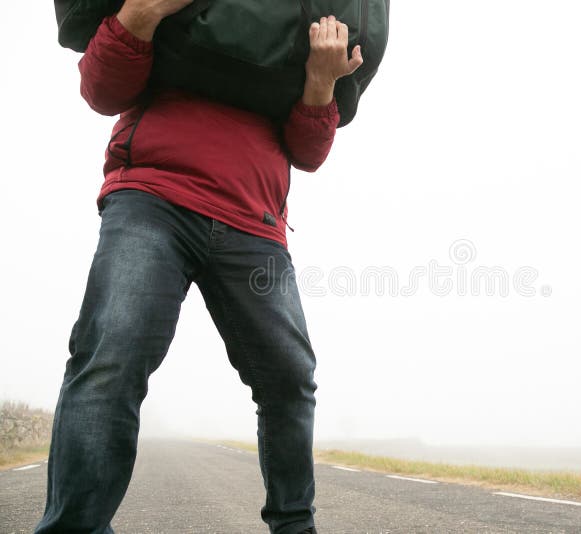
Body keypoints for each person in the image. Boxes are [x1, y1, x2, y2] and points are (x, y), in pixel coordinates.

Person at [35, 0, 362, 532]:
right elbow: (101, 91)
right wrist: (140, 14)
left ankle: (295, 526)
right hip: (152, 196)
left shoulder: (284, 26)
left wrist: (320, 83)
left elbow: (308, 152)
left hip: (254, 222)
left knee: (290, 378)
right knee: (110, 356)